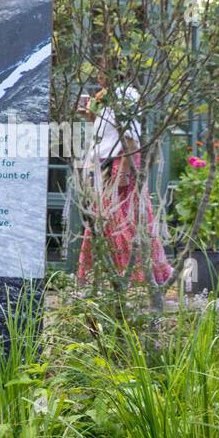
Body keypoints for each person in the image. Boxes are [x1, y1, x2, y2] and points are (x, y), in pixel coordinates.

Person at [76, 73, 172, 287]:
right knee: (104, 220)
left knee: (123, 221)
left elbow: (129, 135)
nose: (98, 74)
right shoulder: (107, 96)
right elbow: (108, 129)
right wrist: (90, 114)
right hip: (108, 161)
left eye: (101, 68)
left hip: (121, 160)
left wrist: (123, 172)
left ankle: (136, 280)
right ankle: (110, 280)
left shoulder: (125, 95)